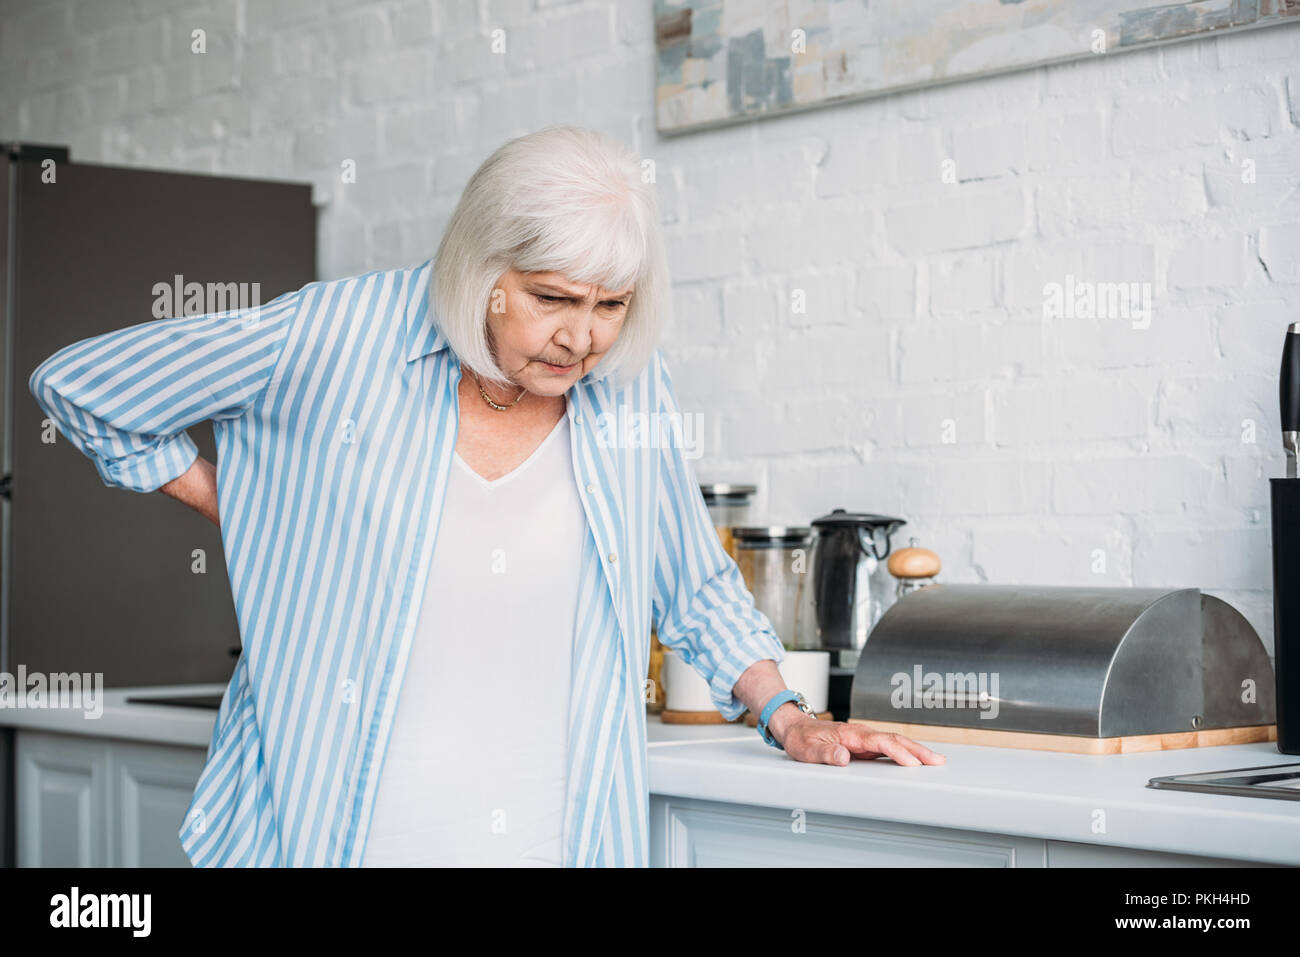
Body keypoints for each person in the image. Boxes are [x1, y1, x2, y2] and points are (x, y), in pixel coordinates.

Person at [28, 124, 943, 868]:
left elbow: (688, 577)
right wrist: (239, 503)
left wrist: (794, 718)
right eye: (551, 298)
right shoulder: (334, 336)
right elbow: (83, 386)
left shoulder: (626, 384)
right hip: (333, 837)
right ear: (481, 269)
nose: (583, 338)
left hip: (559, 838)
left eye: (611, 304)